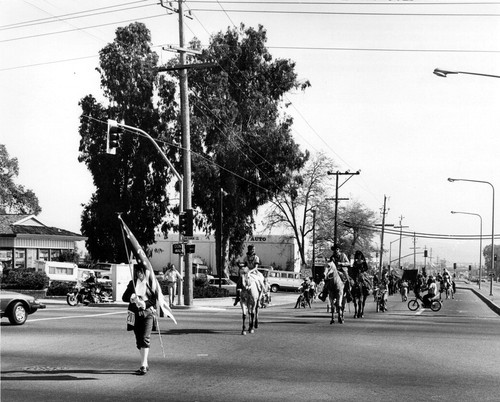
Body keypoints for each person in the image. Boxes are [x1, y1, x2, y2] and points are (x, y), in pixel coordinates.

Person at [122, 264, 158, 375]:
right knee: (138, 340)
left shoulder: (151, 284)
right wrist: (131, 297)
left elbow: (155, 300)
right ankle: (145, 363)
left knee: (144, 338)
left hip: (148, 314)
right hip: (134, 314)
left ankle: (143, 364)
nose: (139, 274)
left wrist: (145, 303)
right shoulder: (132, 283)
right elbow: (124, 298)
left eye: (141, 272)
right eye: (137, 272)